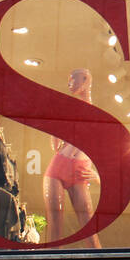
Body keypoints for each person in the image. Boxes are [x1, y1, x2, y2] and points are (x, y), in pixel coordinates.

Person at [43, 68, 103, 249]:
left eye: (73, 80)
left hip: (80, 171)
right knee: (55, 231)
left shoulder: (96, 116)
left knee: (90, 234)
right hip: (58, 167)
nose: (70, 84)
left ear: (85, 80)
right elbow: (55, 145)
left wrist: (98, 177)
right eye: (69, 80)